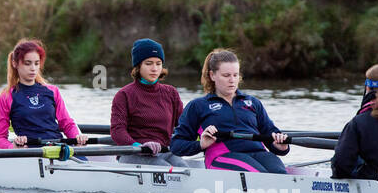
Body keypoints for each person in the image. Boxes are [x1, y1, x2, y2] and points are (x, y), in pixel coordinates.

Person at [170, 48, 290, 172]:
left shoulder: (253, 102)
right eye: (226, 75)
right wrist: (201, 144)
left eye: (235, 75)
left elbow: (270, 134)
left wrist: (280, 146)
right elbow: (176, 145)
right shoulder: (198, 106)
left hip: (258, 153)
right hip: (221, 156)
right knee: (260, 175)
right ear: (212, 75)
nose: (232, 80)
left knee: (280, 174)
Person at [0, 39, 86, 150]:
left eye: (36, 63)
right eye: (28, 63)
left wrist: (77, 137)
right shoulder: (6, 97)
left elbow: (67, 123)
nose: (33, 68)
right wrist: (12, 147)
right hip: (30, 152)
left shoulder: (52, 91)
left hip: (58, 149)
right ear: (15, 63)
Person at [109, 38, 185, 166]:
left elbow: (185, 124)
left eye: (158, 63)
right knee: (166, 169)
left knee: (184, 169)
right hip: (133, 152)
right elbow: (117, 131)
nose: (155, 69)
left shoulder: (171, 93)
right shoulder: (124, 95)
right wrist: (139, 146)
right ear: (138, 66)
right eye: (149, 63)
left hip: (165, 151)